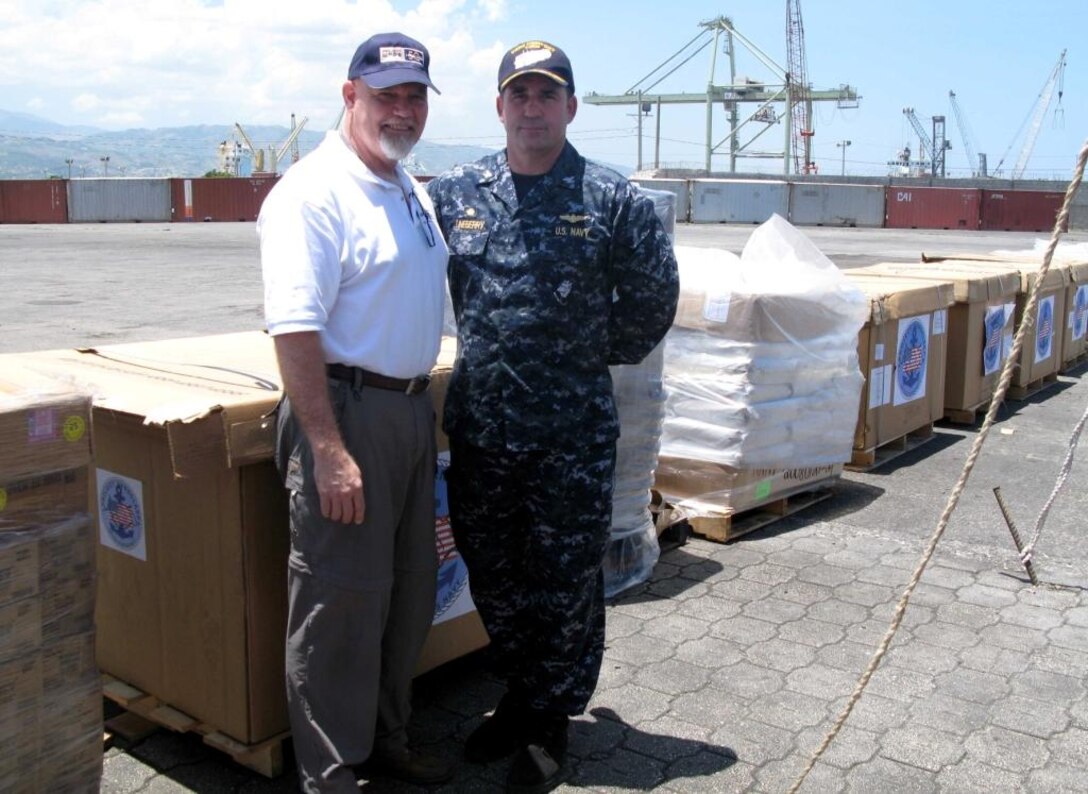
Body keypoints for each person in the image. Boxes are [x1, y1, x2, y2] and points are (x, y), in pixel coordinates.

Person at [427, 39, 679, 793]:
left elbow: (652, 304)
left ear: (570, 107)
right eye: (519, 95)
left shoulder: (612, 200)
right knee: (495, 571)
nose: (532, 109)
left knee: (564, 579)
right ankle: (519, 692)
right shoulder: (456, 194)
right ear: (500, 106)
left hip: (570, 433)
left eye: (547, 95)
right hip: (483, 427)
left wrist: (577, 359)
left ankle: (551, 718)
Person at [258, 32, 451, 794]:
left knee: (407, 590)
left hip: (406, 413)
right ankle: (334, 775)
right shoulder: (314, 192)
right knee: (339, 603)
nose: (401, 110)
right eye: (385, 96)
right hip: (347, 414)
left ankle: (386, 738)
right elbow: (295, 328)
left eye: (414, 97)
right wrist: (329, 450)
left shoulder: (408, 186)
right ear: (350, 96)